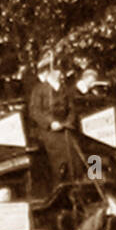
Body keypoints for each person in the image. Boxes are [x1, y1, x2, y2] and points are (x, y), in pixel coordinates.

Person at [28, 52, 75, 184]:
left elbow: (72, 110)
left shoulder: (65, 90)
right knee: (58, 155)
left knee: (76, 151)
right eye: (58, 71)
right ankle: (59, 183)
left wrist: (67, 123)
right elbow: (34, 111)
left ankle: (77, 183)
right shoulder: (39, 89)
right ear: (51, 72)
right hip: (47, 131)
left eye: (62, 72)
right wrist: (51, 123)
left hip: (65, 128)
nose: (61, 74)